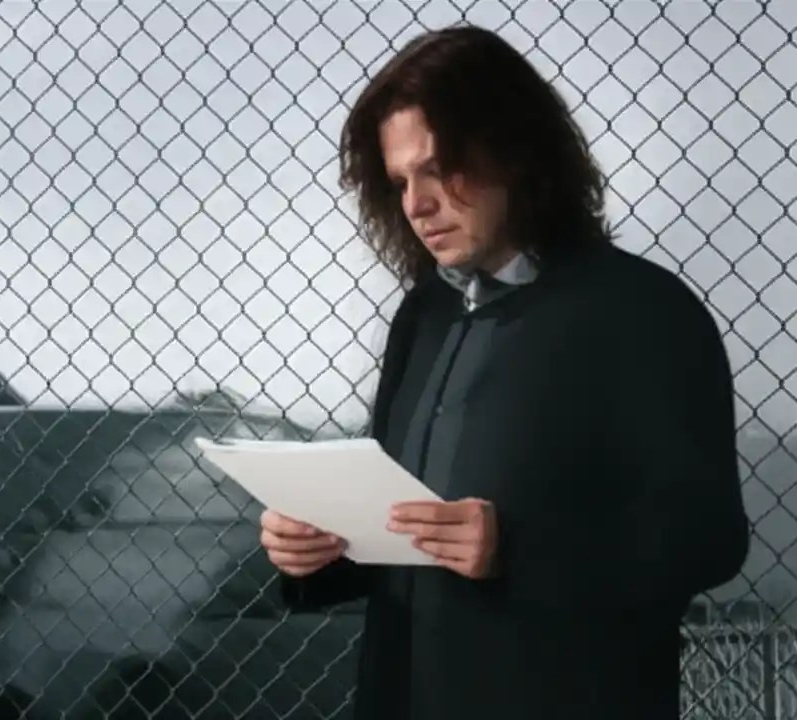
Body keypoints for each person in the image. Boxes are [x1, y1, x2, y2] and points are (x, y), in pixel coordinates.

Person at [258, 24, 751, 720]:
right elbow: (406, 529)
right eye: (399, 181)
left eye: (439, 169)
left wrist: (518, 550)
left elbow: (709, 540)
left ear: (515, 148)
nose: (416, 204)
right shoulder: (422, 316)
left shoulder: (643, 310)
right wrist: (318, 550)